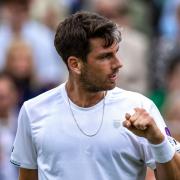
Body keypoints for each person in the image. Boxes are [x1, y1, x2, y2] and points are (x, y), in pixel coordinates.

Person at [10, 11, 180, 180]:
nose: (118, 64)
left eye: (116, 52)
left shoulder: (141, 107)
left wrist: (158, 141)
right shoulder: (33, 111)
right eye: (105, 57)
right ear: (75, 64)